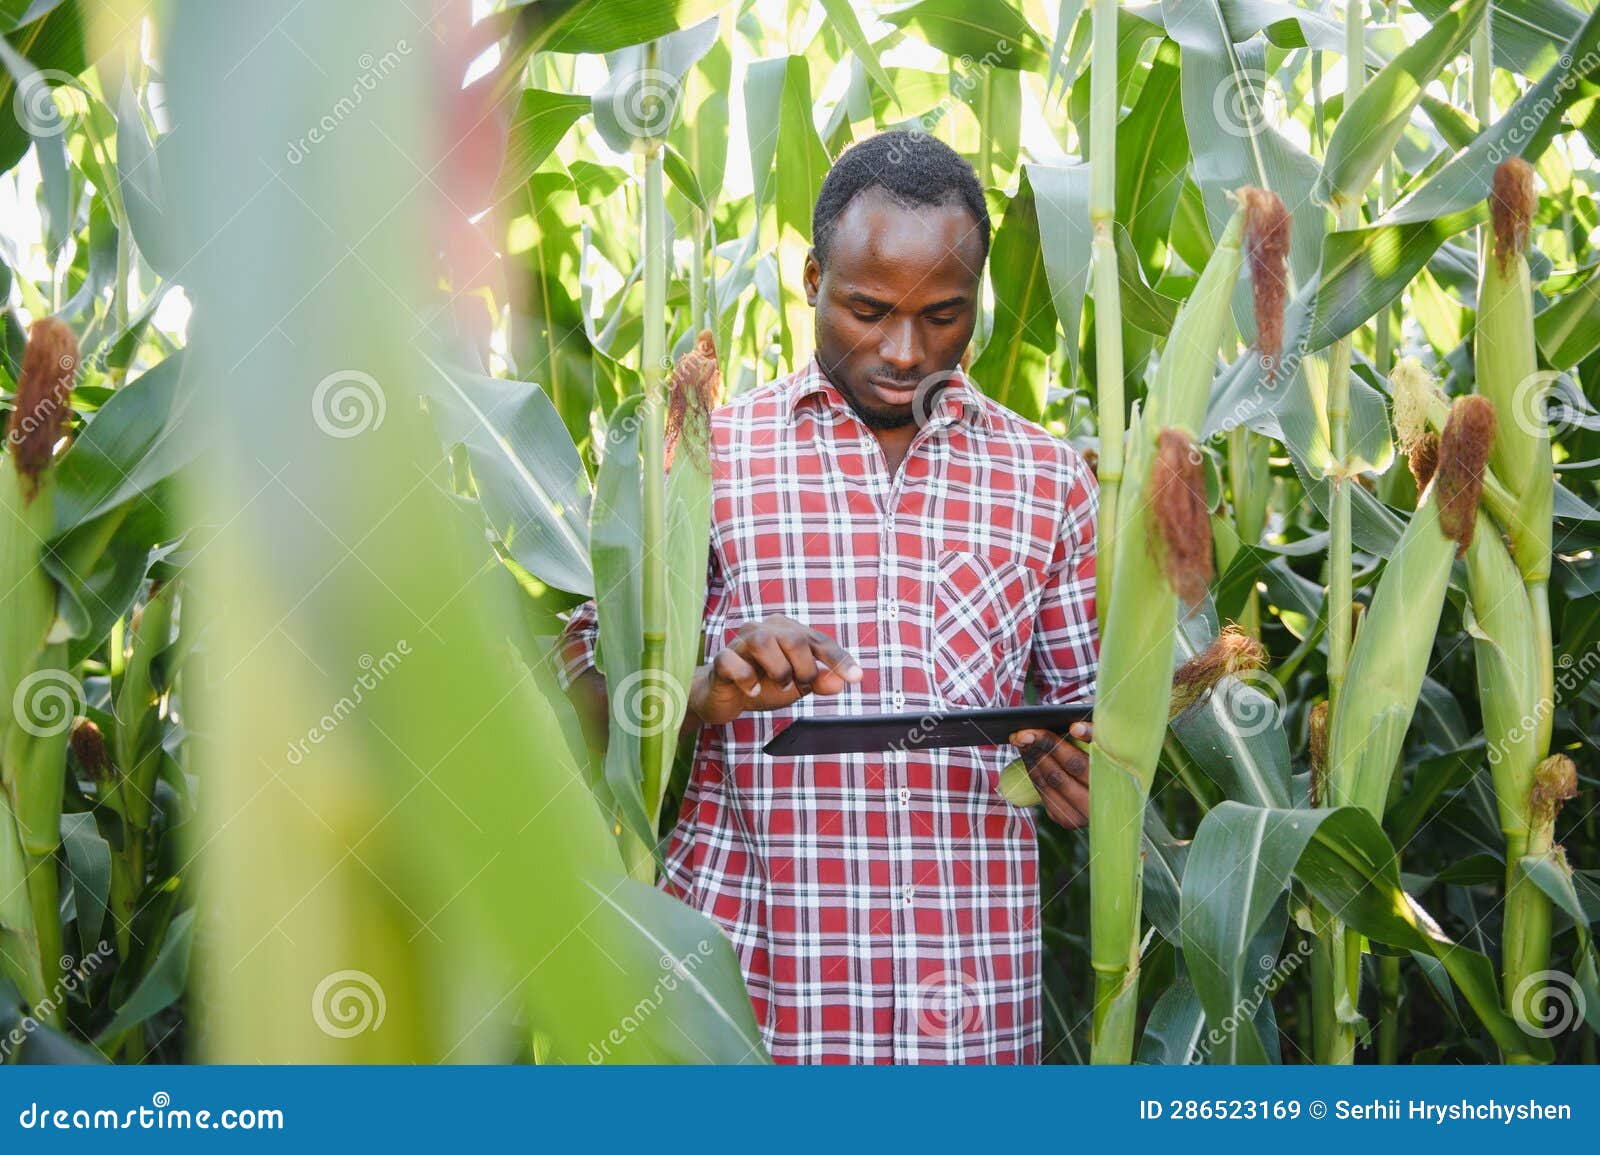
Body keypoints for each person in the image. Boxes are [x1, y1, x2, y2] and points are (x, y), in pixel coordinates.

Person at [554, 129, 1097, 1063]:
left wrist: (1086, 773)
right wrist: (700, 690)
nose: (903, 349)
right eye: (867, 308)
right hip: (744, 1008)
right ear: (812, 279)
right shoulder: (704, 459)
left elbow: (1101, 730)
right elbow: (574, 711)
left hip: (968, 1018)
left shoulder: (1050, 482)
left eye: (944, 316)